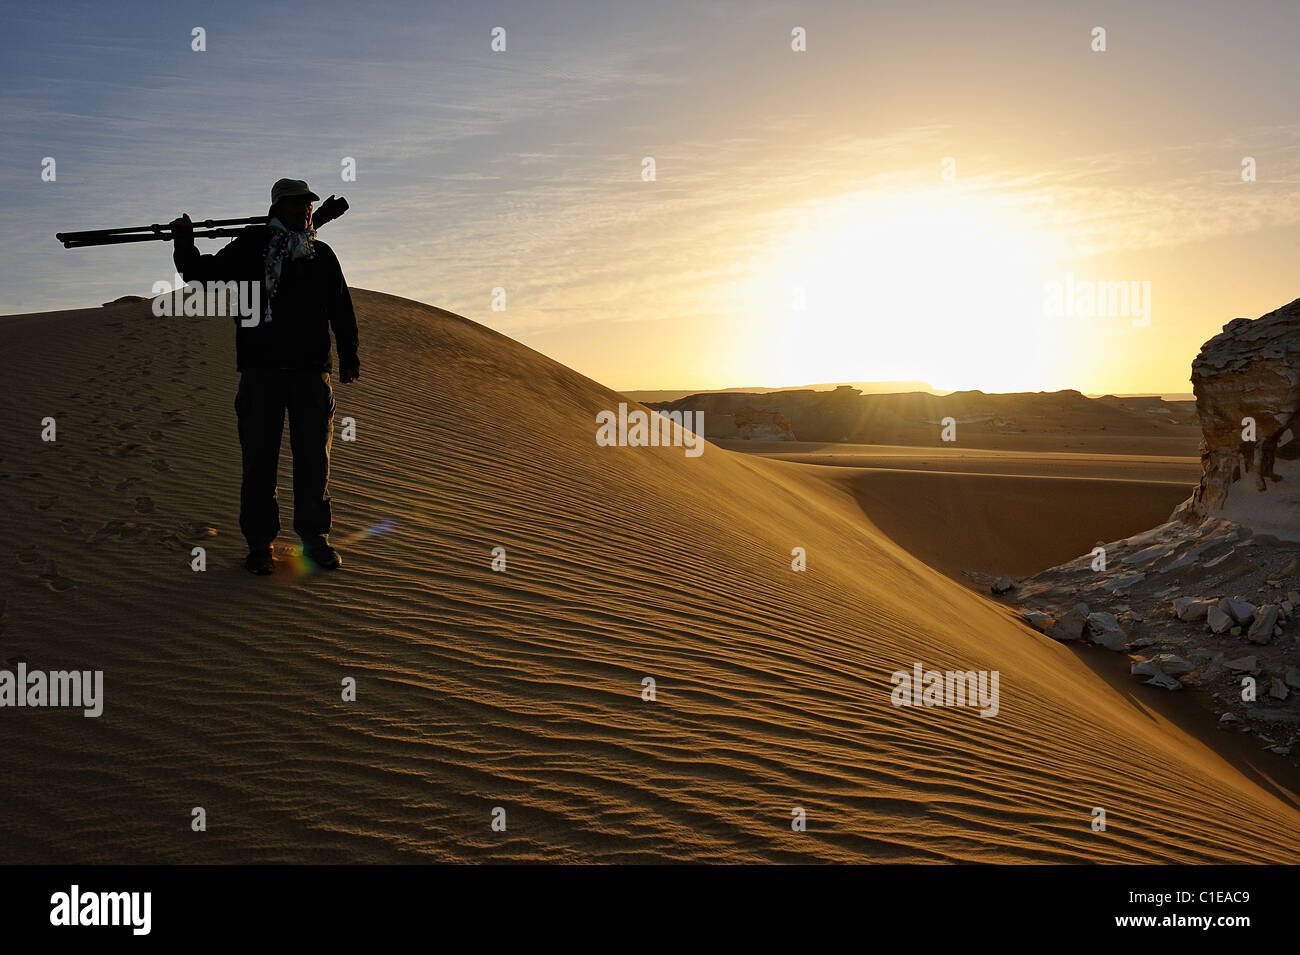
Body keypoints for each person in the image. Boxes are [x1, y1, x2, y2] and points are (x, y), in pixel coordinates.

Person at [169, 178, 360, 575]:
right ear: (277, 208)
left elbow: (341, 307)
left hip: (311, 375)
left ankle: (315, 539)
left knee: (314, 464)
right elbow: (200, 274)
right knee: (259, 464)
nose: (304, 210)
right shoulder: (251, 248)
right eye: (295, 204)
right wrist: (184, 241)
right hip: (262, 374)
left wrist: (349, 354)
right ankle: (260, 545)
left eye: (307, 204)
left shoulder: (320, 253)